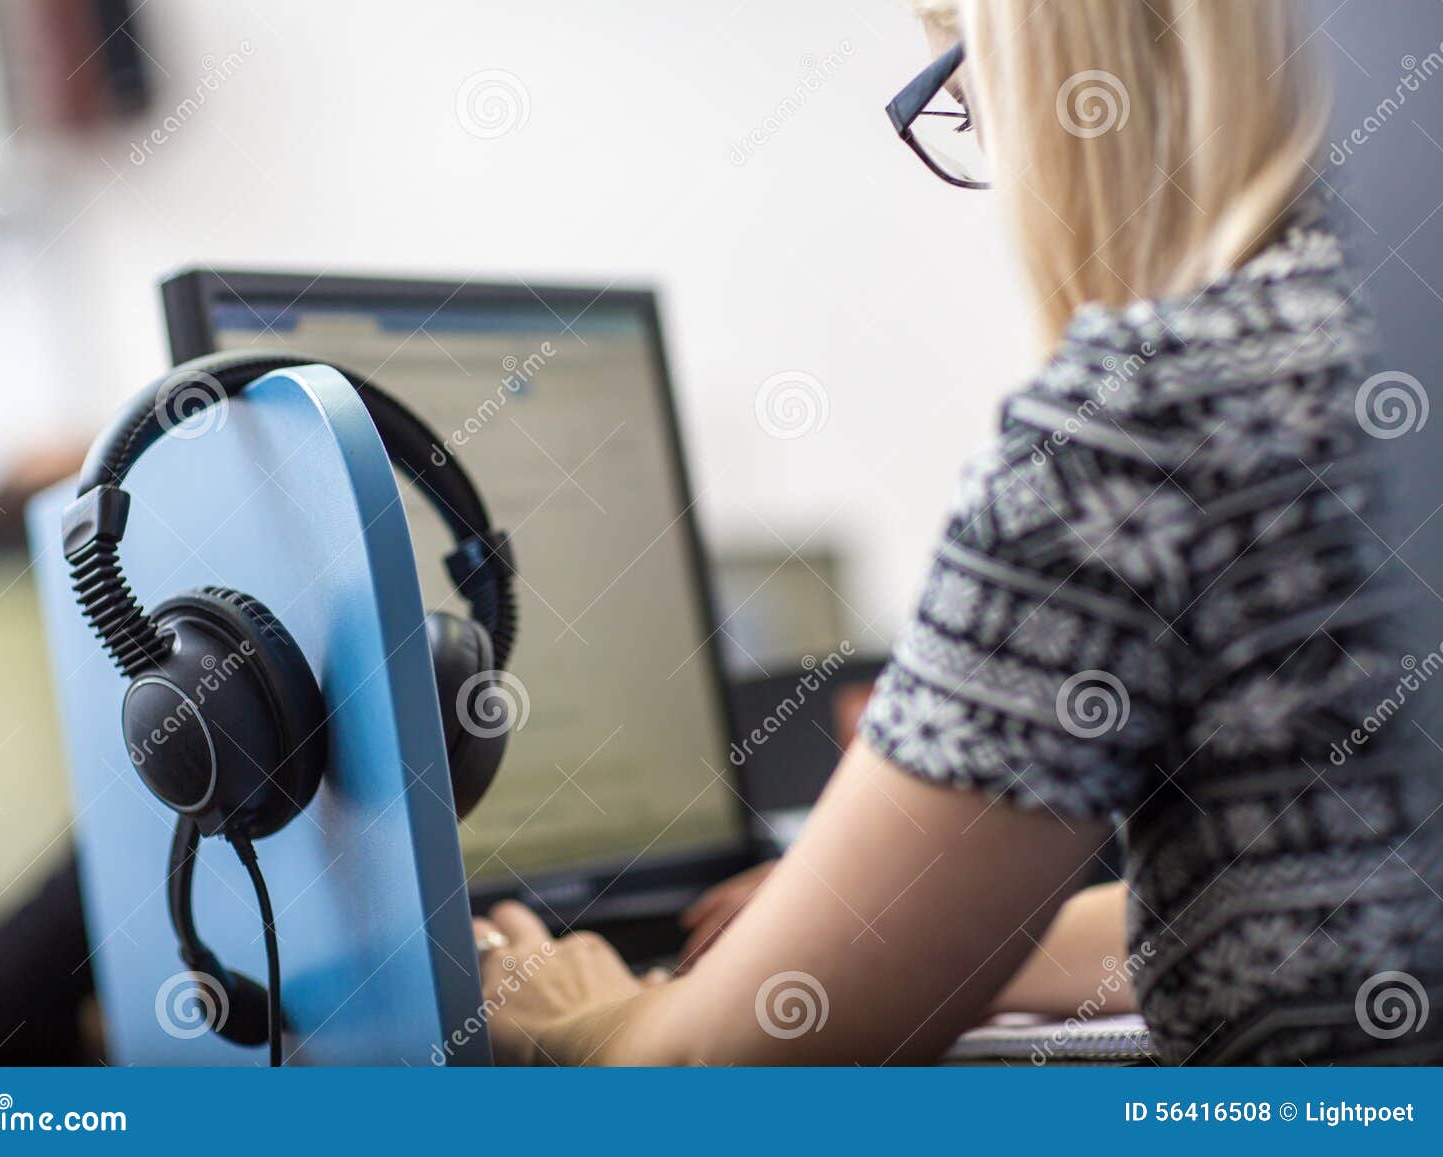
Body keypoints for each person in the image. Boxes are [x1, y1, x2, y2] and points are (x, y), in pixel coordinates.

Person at [470, 0, 1443, 1065]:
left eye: (965, 100)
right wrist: (933, 937)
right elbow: (1341, 903)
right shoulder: (1373, 341)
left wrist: (576, 1013)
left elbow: (713, 1075)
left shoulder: (1158, 414)